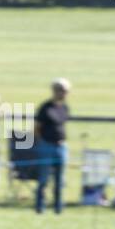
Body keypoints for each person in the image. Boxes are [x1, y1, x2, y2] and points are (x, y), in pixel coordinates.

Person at [33, 78, 70, 214]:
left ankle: (58, 208)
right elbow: (37, 127)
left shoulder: (65, 107)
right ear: (56, 90)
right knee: (43, 179)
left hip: (61, 147)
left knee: (60, 181)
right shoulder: (45, 107)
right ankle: (40, 207)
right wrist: (42, 142)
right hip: (47, 146)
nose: (65, 94)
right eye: (63, 91)